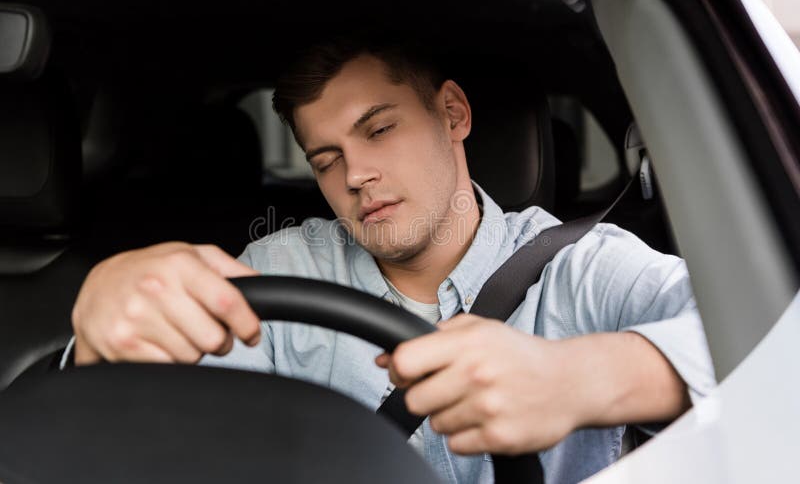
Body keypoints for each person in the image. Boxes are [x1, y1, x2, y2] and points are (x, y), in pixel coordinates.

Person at [65, 32, 715, 483]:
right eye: (326, 160)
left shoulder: (585, 268)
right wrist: (107, 331)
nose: (356, 175)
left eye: (379, 130)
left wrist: (576, 378)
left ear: (453, 114)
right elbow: (162, 422)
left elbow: (767, 340)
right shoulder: (279, 269)